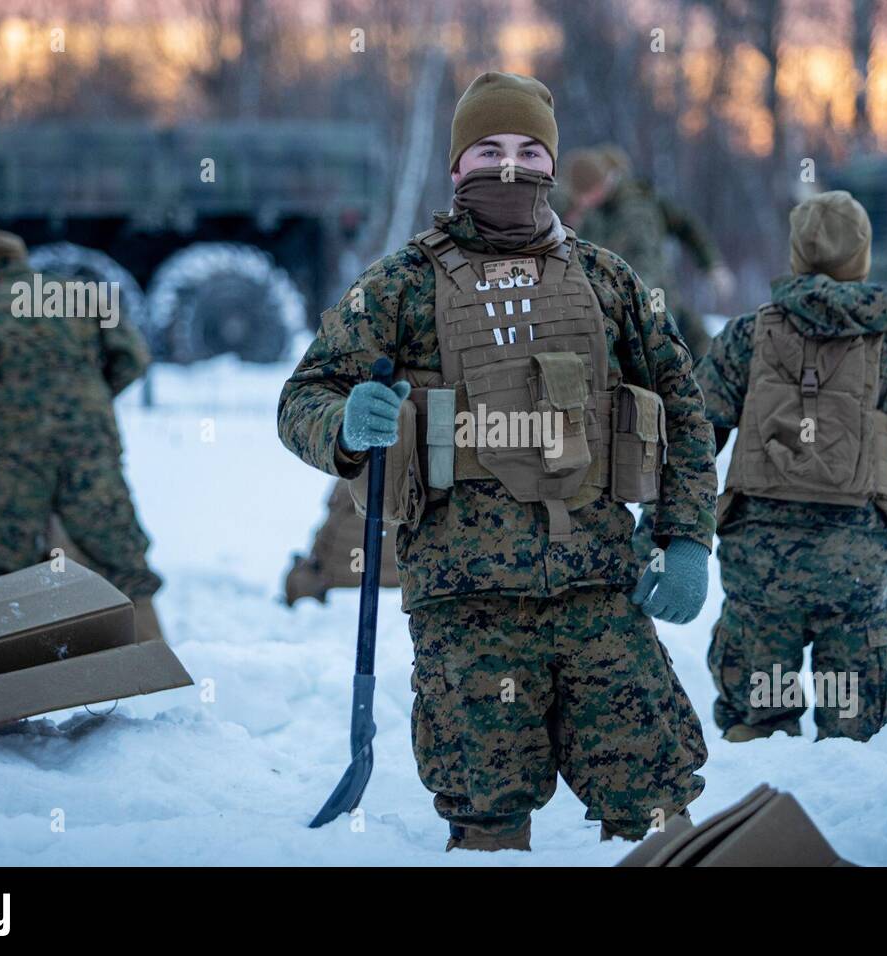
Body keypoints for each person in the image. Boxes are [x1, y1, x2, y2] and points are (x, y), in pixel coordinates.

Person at [278, 72, 717, 851]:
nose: (508, 166)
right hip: (464, 604)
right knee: (485, 817)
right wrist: (346, 423)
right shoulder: (401, 285)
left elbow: (683, 408)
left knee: (657, 799)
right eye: (488, 149)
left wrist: (685, 539)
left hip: (600, 591)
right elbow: (302, 396)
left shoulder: (609, 281)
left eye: (526, 149)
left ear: (551, 164)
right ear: (457, 167)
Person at [695, 191, 887, 742]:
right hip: (862, 574)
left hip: (760, 570)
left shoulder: (747, 337)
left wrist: (675, 531)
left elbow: (690, 438)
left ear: (796, 255)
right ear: (861, 259)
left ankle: (762, 822)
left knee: (755, 727)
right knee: (859, 738)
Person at [0, 230, 166, 642]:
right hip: (89, 443)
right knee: (120, 553)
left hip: (15, 457)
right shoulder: (80, 295)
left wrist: (7, 432)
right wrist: (91, 400)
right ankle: (153, 663)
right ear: (20, 259)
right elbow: (134, 358)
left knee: (2, 570)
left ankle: (5, 684)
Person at [561, 144, 735, 360]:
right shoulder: (597, 213)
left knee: (684, 367)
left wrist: (712, 264)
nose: (580, 204)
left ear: (594, 187)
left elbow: (648, 266)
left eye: (583, 196)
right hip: (636, 311)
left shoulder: (634, 213)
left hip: (651, 310)